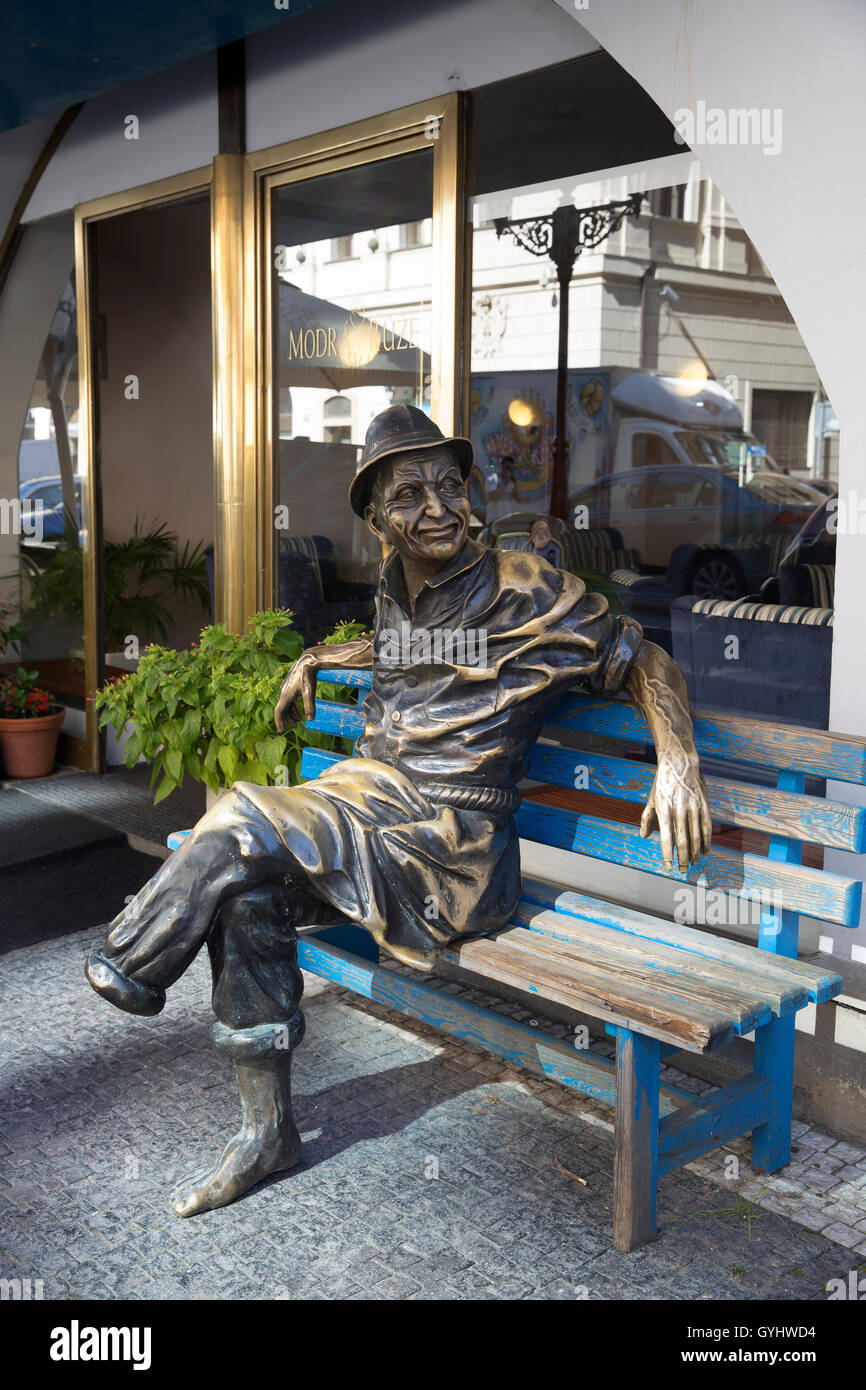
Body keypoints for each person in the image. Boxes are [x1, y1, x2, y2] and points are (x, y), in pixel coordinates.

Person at [85, 403, 711, 1216]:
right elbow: (421, 651)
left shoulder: (527, 588)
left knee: (241, 812)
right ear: (377, 518)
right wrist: (319, 654)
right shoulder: (397, 589)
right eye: (410, 495)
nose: (437, 508)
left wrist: (680, 761)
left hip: (451, 846)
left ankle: (129, 963)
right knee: (245, 896)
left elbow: (645, 655)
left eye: (449, 486)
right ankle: (266, 1133)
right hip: (373, 803)